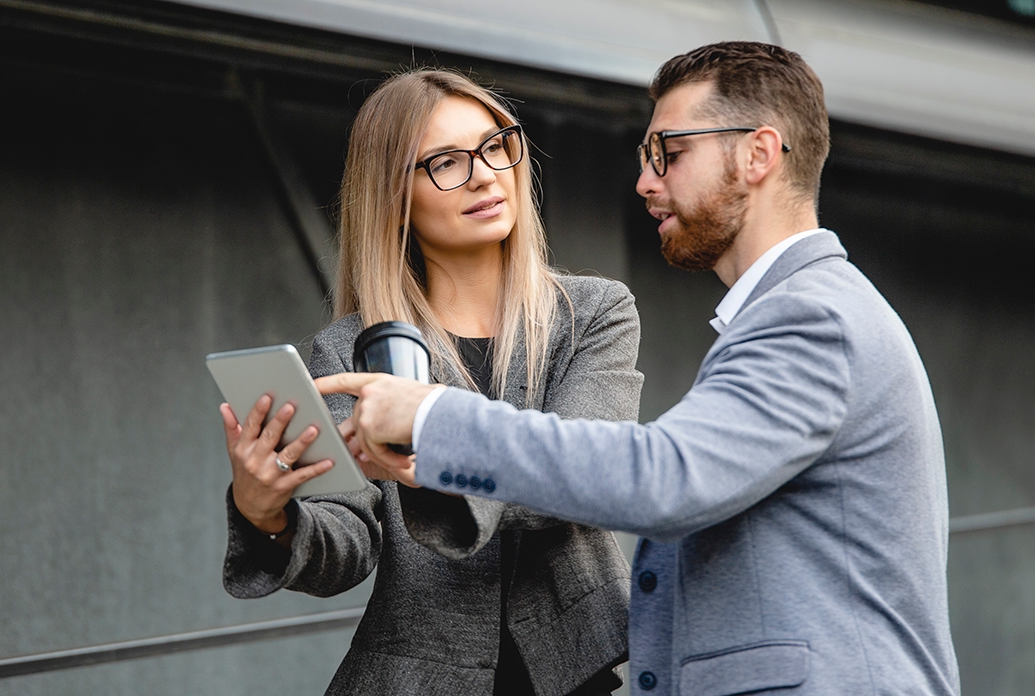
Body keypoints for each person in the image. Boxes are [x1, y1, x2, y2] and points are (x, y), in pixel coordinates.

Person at [320, 43, 961, 695]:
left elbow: (661, 477)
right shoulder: (800, 311)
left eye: (669, 154)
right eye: (645, 158)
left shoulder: (808, 318)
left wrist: (429, 418)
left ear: (757, 154)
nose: (645, 182)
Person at [218, 68, 644, 695]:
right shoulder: (346, 350)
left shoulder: (593, 314)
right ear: (395, 197)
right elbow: (347, 545)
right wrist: (270, 516)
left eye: (496, 145)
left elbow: (584, 470)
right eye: (445, 161)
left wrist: (434, 453)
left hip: (580, 668)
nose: (484, 173)